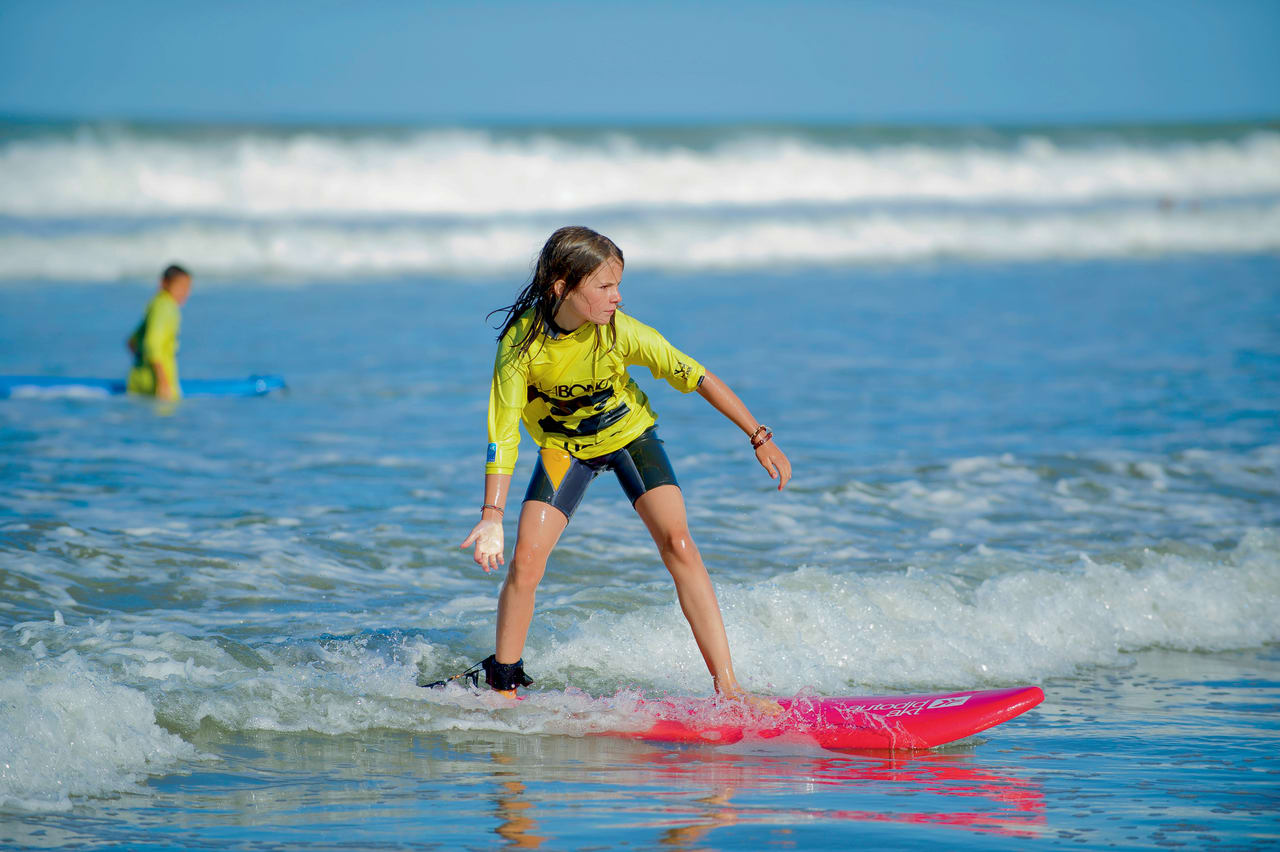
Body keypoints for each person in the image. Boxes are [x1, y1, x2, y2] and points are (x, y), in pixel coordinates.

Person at [458, 226, 791, 702]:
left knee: (678, 542)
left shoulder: (621, 331)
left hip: (631, 436)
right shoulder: (521, 345)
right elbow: (503, 431)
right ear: (562, 287)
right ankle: (505, 686)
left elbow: (697, 376)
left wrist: (759, 437)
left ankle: (729, 688)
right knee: (527, 560)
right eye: (604, 286)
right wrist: (492, 516)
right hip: (564, 449)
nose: (617, 296)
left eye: (618, 284)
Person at [126, 264, 191, 401]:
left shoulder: (155, 304)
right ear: (164, 283)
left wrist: (141, 365)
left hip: (138, 382)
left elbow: (131, 342)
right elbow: (152, 344)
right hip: (158, 385)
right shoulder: (166, 307)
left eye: (187, 288)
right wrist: (162, 380)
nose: (185, 293)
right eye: (181, 287)